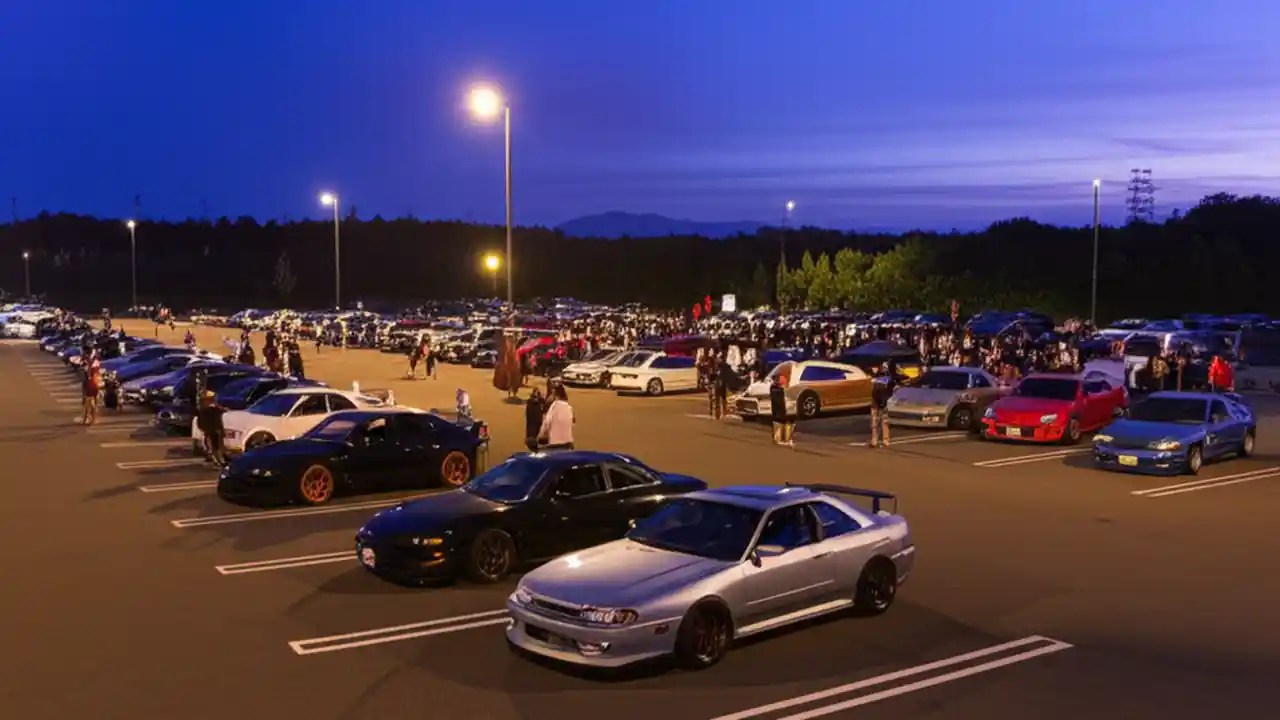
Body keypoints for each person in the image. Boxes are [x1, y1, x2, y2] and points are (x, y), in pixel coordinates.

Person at [869, 362, 897, 448]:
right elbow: (873, 389)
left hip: (885, 400)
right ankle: (874, 439)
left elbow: (892, 389)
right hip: (875, 400)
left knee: (884, 420)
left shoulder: (890, 378)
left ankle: (885, 439)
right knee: (874, 421)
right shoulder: (875, 376)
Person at [538, 384, 575, 450]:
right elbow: (572, 422)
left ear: (555, 395)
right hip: (568, 443)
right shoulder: (569, 408)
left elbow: (547, 423)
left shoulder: (554, 407)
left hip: (555, 444)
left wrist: (540, 436)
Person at [196, 390, 228, 467]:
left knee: (215, 446)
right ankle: (218, 460)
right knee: (216, 446)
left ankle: (218, 459)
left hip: (212, 430)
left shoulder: (204, 410)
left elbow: (200, 422)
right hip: (214, 430)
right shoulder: (215, 410)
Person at [769, 372, 794, 447]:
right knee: (780, 421)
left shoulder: (774, 388)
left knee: (780, 421)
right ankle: (780, 439)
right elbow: (779, 401)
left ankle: (781, 438)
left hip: (778, 411)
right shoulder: (777, 389)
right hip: (779, 411)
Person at [81, 357, 102, 425]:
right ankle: (90, 419)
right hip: (92, 387)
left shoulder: (91, 368)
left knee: (90, 405)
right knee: (92, 405)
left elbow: (87, 377)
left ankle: (88, 419)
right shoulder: (95, 365)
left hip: (91, 388)